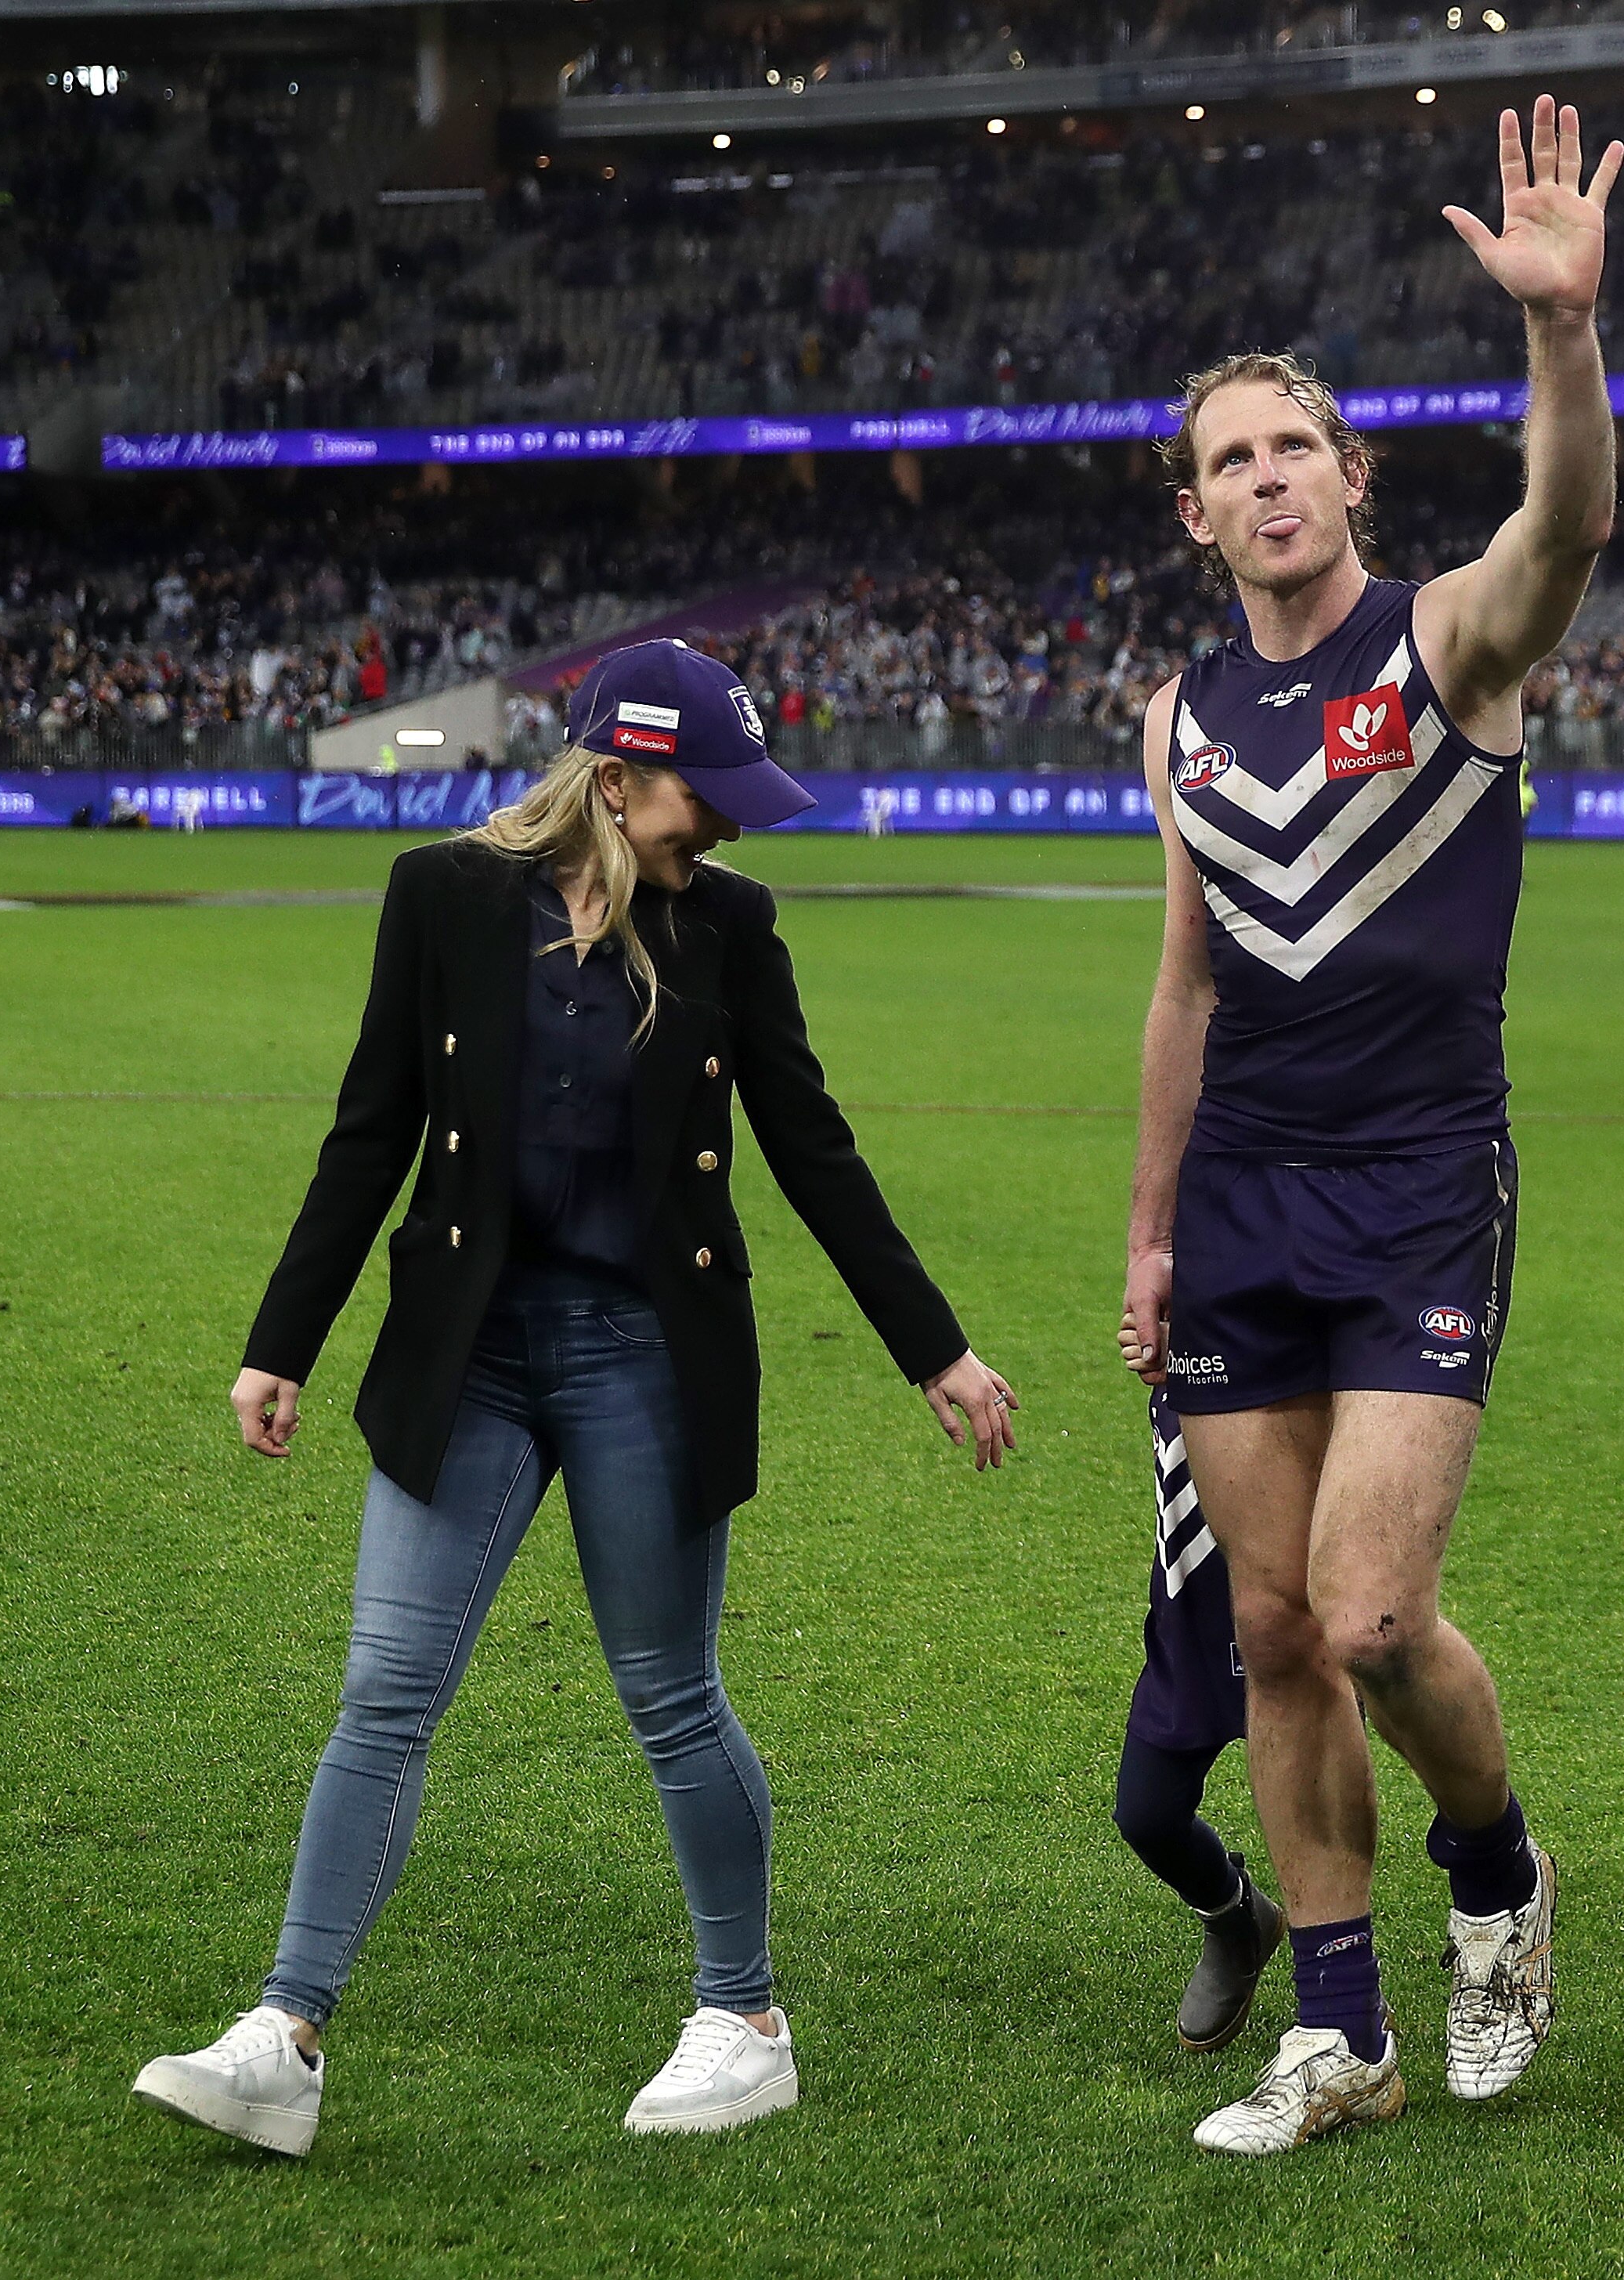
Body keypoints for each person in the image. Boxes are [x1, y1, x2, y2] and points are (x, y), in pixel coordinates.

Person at [132, 638, 1020, 2159]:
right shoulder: (442, 898)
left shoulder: (730, 927)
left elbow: (813, 1149)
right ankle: (284, 2032)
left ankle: (740, 2017)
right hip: (462, 1358)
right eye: (703, 798)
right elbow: (373, 1130)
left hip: (644, 1358)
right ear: (613, 780)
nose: (727, 827)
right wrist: (280, 1339)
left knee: (670, 1697)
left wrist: (931, 1346)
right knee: (384, 1694)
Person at [1117, 93, 1623, 2156]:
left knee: (1372, 1612)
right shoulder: (1174, 719)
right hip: (1240, 1196)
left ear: (1348, 477)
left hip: (1420, 1185)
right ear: (1197, 512)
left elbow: (1567, 527)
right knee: (1259, 1626)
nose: (1263, 479)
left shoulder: (1447, 644)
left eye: (1288, 447)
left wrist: (1562, 336)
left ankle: (1495, 1874)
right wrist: (1149, 1232)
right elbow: (1183, 983)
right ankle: (1340, 2028)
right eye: (1225, 458)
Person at [1110, 1389, 1286, 2052]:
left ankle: (1347, 1988)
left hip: (1300, 1612)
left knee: (1316, 1810)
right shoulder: (1193, 1319)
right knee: (1147, 1814)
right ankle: (1235, 1914)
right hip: (1189, 1626)